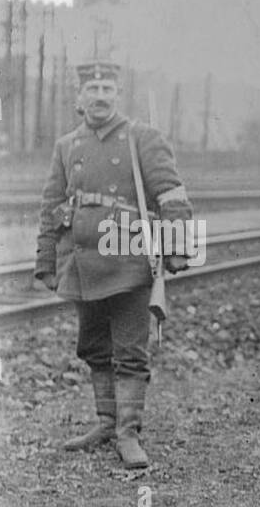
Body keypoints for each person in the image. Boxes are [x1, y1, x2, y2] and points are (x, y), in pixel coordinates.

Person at [36, 59, 193, 469]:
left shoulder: (141, 137)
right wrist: (46, 261)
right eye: (93, 90)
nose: (100, 97)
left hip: (128, 264)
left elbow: (172, 196)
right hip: (82, 265)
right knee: (93, 348)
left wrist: (175, 251)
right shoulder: (66, 145)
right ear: (80, 97)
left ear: (118, 95)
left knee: (129, 352)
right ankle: (106, 423)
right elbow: (51, 206)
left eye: (108, 90)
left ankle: (128, 433)